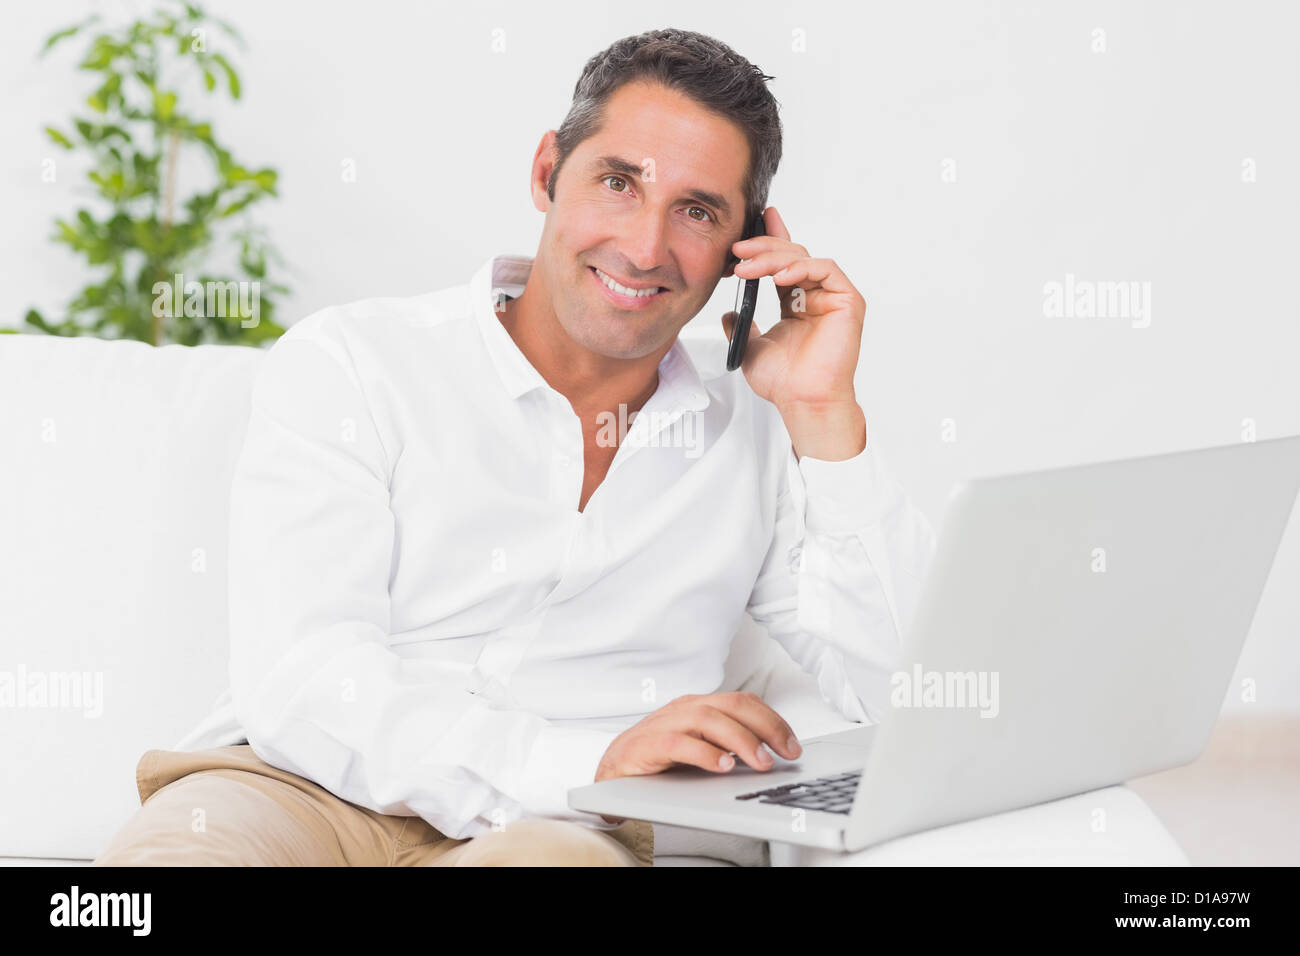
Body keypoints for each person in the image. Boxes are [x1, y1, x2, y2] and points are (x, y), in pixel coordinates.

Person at [93, 27, 935, 868]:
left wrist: (824, 411)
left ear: (742, 250)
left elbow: (910, 696)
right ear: (546, 174)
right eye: (618, 181)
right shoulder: (356, 363)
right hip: (296, 792)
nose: (645, 248)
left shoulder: (754, 431)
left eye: (697, 211)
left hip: (564, 832)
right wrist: (579, 762)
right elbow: (306, 676)